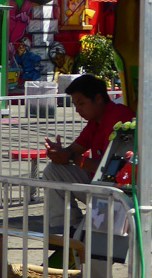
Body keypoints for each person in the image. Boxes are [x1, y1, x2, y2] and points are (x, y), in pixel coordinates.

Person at [42, 75, 134, 223]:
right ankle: (65, 225)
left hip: (121, 188)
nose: (78, 110)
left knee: (55, 170)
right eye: (75, 105)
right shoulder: (94, 122)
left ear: (98, 99)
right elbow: (73, 150)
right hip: (100, 182)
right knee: (53, 170)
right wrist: (59, 153)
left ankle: (69, 226)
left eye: (81, 104)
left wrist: (70, 157)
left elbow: (112, 168)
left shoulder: (118, 119)